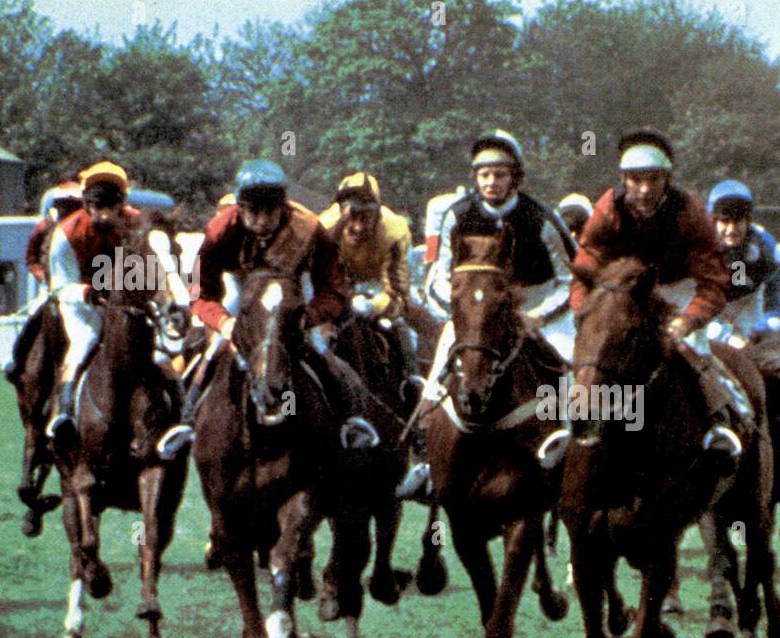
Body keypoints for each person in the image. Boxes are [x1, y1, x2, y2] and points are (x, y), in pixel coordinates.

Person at [398, 130, 577, 500]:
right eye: (484, 174)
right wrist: (466, 316)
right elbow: (436, 280)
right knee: (437, 374)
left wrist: (539, 317)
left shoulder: (540, 218)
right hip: (477, 310)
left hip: (537, 306)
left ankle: (576, 454)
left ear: (516, 177)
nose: (491, 182)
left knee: (574, 366)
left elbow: (571, 280)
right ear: (475, 178)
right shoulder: (457, 216)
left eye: (500, 174)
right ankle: (427, 461)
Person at [156, 158, 377, 458]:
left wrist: (308, 317)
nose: (261, 220)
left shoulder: (309, 228)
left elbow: (334, 289)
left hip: (295, 286)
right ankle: (187, 420)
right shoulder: (220, 229)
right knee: (215, 347)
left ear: (283, 207)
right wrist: (223, 323)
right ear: (240, 208)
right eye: (253, 210)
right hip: (239, 284)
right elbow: (199, 292)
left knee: (317, 346)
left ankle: (351, 419)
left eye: (269, 210)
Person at [569, 127, 751, 469]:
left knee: (691, 348)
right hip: (625, 293)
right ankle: (564, 427)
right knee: (587, 351)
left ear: (667, 179)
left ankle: (719, 424)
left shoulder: (690, 212)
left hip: (677, 289)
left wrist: (689, 319)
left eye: (653, 180)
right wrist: (584, 312)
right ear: (624, 180)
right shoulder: (608, 209)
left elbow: (713, 281)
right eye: (635, 180)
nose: (644, 190)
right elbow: (586, 264)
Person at [44, 162, 145, 446]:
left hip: (123, 304)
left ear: (121, 205)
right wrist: (89, 293)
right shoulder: (66, 234)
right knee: (85, 342)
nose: (103, 214)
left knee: (157, 349)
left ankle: (175, 414)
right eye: (96, 206)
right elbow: (60, 288)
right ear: (86, 205)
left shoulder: (137, 226)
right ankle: (63, 413)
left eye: (110, 207)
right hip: (82, 307)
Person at [318, 171, 418, 398]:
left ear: (378, 215)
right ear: (340, 213)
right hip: (342, 283)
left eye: (366, 218)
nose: (358, 227)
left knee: (403, 329)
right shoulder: (323, 228)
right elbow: (317, 285)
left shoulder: (394, 231)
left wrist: (373, 306)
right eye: (351, 217)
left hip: (379, 284)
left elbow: (398, 294)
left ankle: (412, 385)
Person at [704, 179, 780, 341]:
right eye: (724, 221)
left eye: (738, 221)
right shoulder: (698, 246)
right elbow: (686, 299)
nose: (731, 230)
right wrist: (725, 336)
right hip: (706, 313)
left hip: (748, 307)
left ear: (748, 221)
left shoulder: (765, 244)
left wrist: (769, 324)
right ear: (713, 221)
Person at [26, 181, 83, 290]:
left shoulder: (86, 227)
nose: (68, 209)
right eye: (64, 204)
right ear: (56, 205)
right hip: (51, 286)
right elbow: (32, 258)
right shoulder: (45, 226)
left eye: (74, 205)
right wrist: (42, 277)